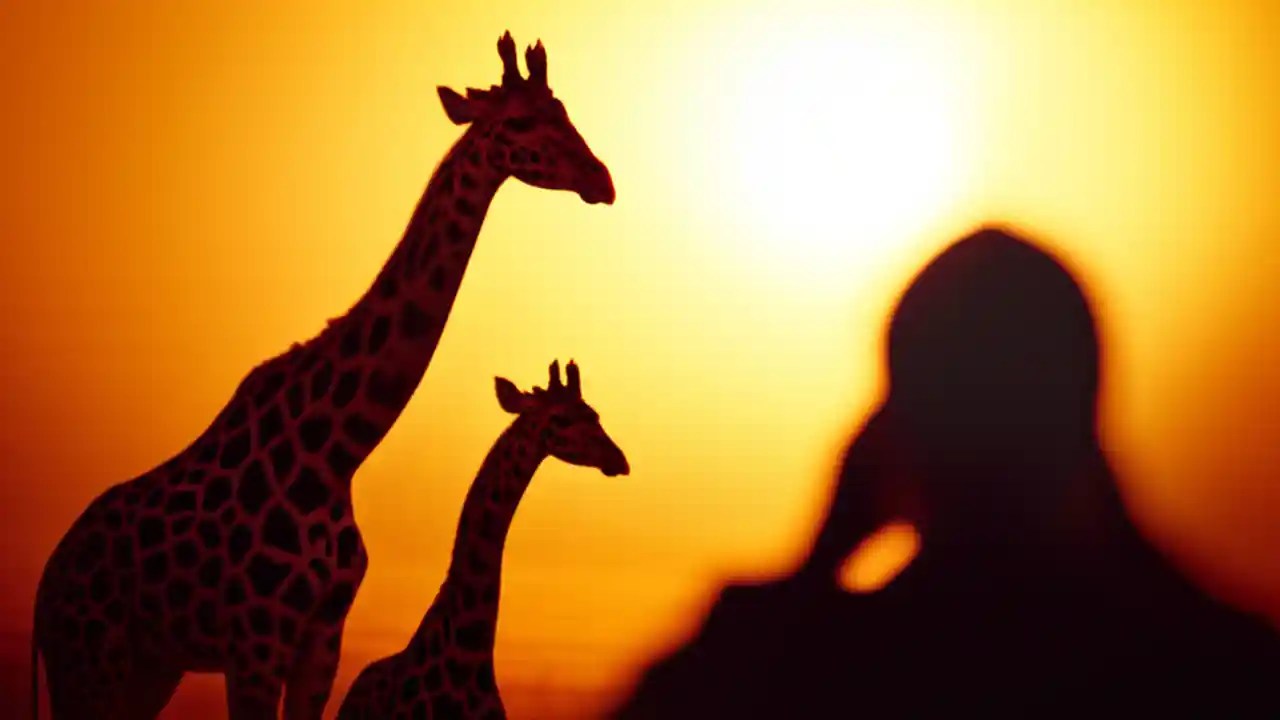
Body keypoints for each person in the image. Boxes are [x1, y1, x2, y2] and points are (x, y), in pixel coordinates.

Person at [613, 227, 1280, 718]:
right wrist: (1126, 537)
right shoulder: (1212, 667)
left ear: (892, 438)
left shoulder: (825, 665)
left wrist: (812, 571)